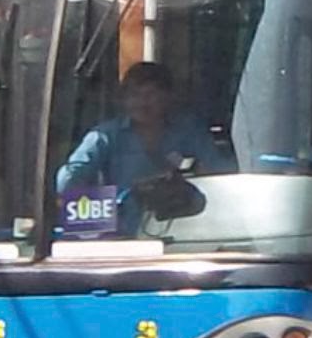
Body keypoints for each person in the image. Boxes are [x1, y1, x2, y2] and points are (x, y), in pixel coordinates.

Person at [56, 62, 233, 233]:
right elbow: (67, 181)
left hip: (186, 234)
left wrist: (189, 178)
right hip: (121, 240)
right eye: (134, 95)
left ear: (168, 97)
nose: (142, 103)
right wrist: (109, 203)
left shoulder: (189, 133)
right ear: (123, 99)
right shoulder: (105, 137)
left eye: (151, 94)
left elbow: (221, 176)